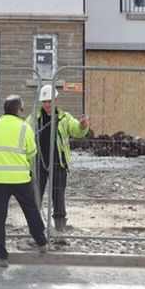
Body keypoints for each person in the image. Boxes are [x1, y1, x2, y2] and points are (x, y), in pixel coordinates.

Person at [0, 94, 48, 267]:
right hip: (20, 178)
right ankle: (42, 242)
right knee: (31, 210)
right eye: (22, 109)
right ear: (18, 110)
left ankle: (1, 256)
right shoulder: (24, 128)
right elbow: (31, 152)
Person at [27, 84, 89, 231]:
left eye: (50, 101)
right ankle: (36, 230)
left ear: (56, 100)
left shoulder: (64, 118)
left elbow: (77, 131)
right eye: (45, 102)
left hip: (58, 163)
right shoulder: (33, 118)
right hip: (38, 163)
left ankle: (60, 230)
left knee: (58, 196)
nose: (47, 104)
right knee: (36, 196)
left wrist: (82, 126)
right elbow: (23, 133)